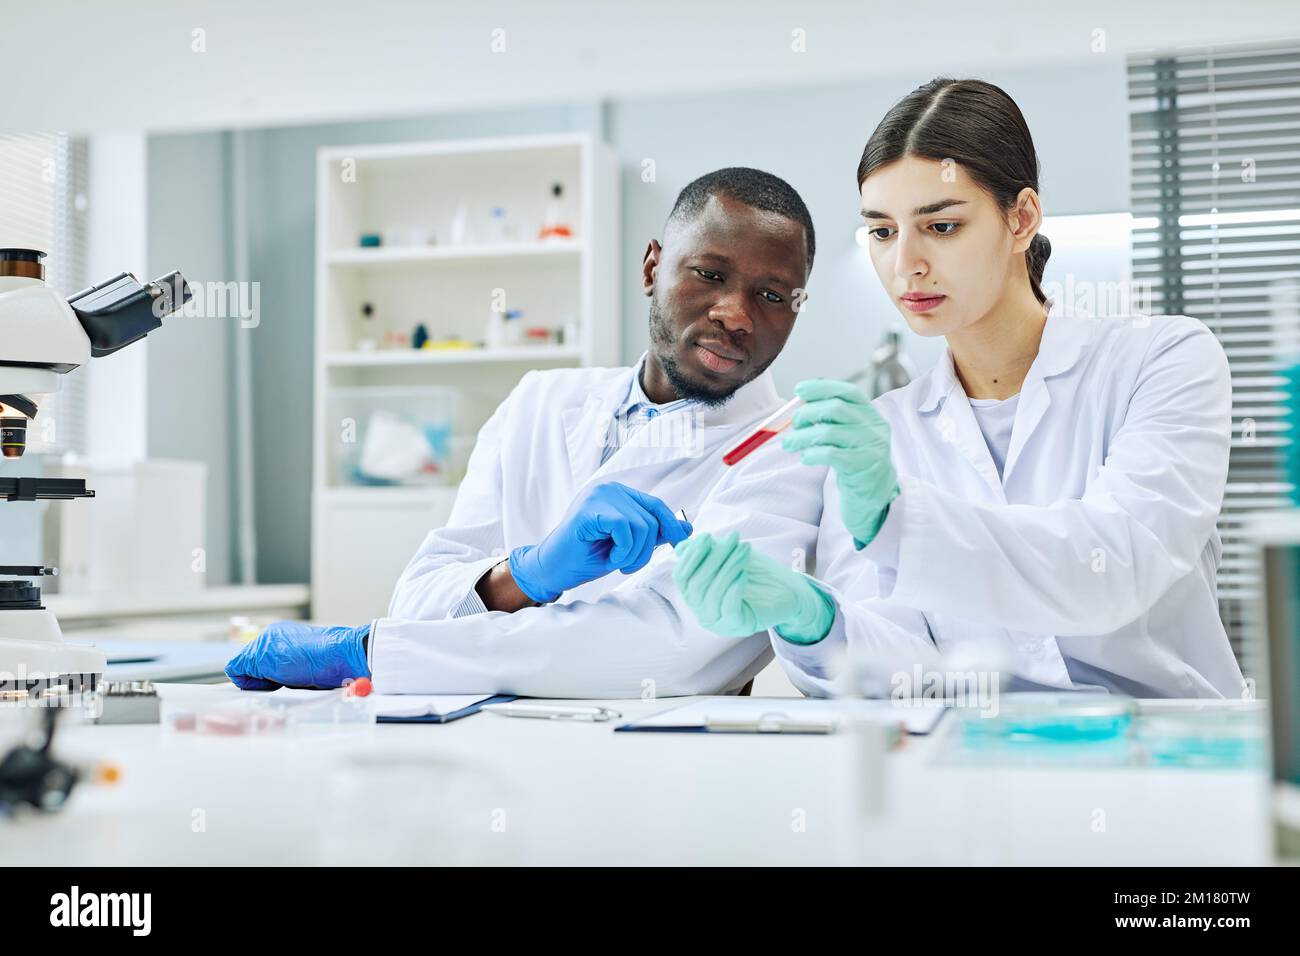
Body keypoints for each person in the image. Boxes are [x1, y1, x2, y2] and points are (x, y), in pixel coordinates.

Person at [674, 78, 1245, 700]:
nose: (905, 264)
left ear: (1021, 217)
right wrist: (812, 619)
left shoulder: (1163, 360)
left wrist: (896, 521)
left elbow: (1114, 568)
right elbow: (905, 665)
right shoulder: (879, 435)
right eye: (883, 232)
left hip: (1172, 759)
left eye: (940, 227)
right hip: (987, 762)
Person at [226, 167, 827, 697]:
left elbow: (669, 655)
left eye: (772, 295)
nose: (736, 315)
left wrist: (374, 653)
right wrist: (527, 574)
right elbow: (417, 599)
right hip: (484, 754)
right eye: (709, 273)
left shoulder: (794, 449)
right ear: (652, 267)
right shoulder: (540, 401)